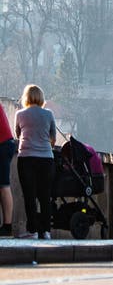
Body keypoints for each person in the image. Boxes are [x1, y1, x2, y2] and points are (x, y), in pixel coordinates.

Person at [14, 84, 56, 240]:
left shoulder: (20, 114)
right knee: (45, 196)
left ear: (26, 97)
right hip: (46, 159)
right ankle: (46, 231)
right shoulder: (49, 114)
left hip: (26, 158)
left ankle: (31, 230)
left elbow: (18, 135)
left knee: (29, 195)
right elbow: (53, 138)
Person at [0, 102, 15, 236]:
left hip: (2, 145)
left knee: (3, 185)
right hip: (5, 144)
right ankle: (6, 226)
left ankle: (7, 226)